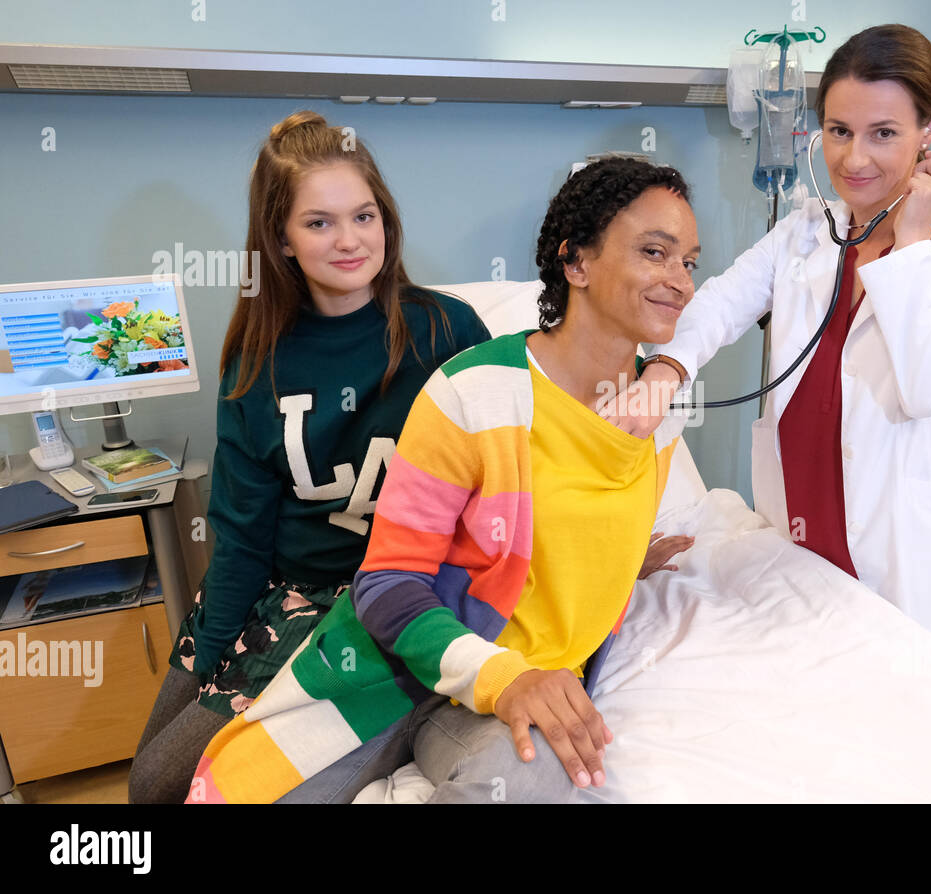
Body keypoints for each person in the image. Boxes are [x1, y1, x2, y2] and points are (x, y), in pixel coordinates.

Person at [184, 157, 699, 803]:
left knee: (525, 776)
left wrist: (622, 562)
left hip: (512, 692)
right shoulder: (475, 392)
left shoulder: (663, 409)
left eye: (690, 263)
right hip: (407, 665)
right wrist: (503, 676)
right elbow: (388, 581)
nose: (679, 280)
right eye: (656, 252)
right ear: (576, 263)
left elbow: (572, 527)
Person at [602, 24, 931, 691]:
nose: (854, 159)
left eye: (883, 132)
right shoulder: (806, 227)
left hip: (902, 540)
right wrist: (665, 371)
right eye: (837, 130)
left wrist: (911, 245)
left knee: (912, 722)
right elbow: (719, 303)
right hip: (801, 513)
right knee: (817, 707)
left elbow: (930, 387)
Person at [128, 111, 492, 803]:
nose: (350, 240)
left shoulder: (447, 331)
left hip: (369, 606)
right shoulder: (256, 359)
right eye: (319, 223)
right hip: (272, 587)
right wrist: (213, 664)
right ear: (282, 241)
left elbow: (517, 466)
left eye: (364, 216)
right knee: (146, 777)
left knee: (159, 785)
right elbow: (239, 534)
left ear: (385, 219)